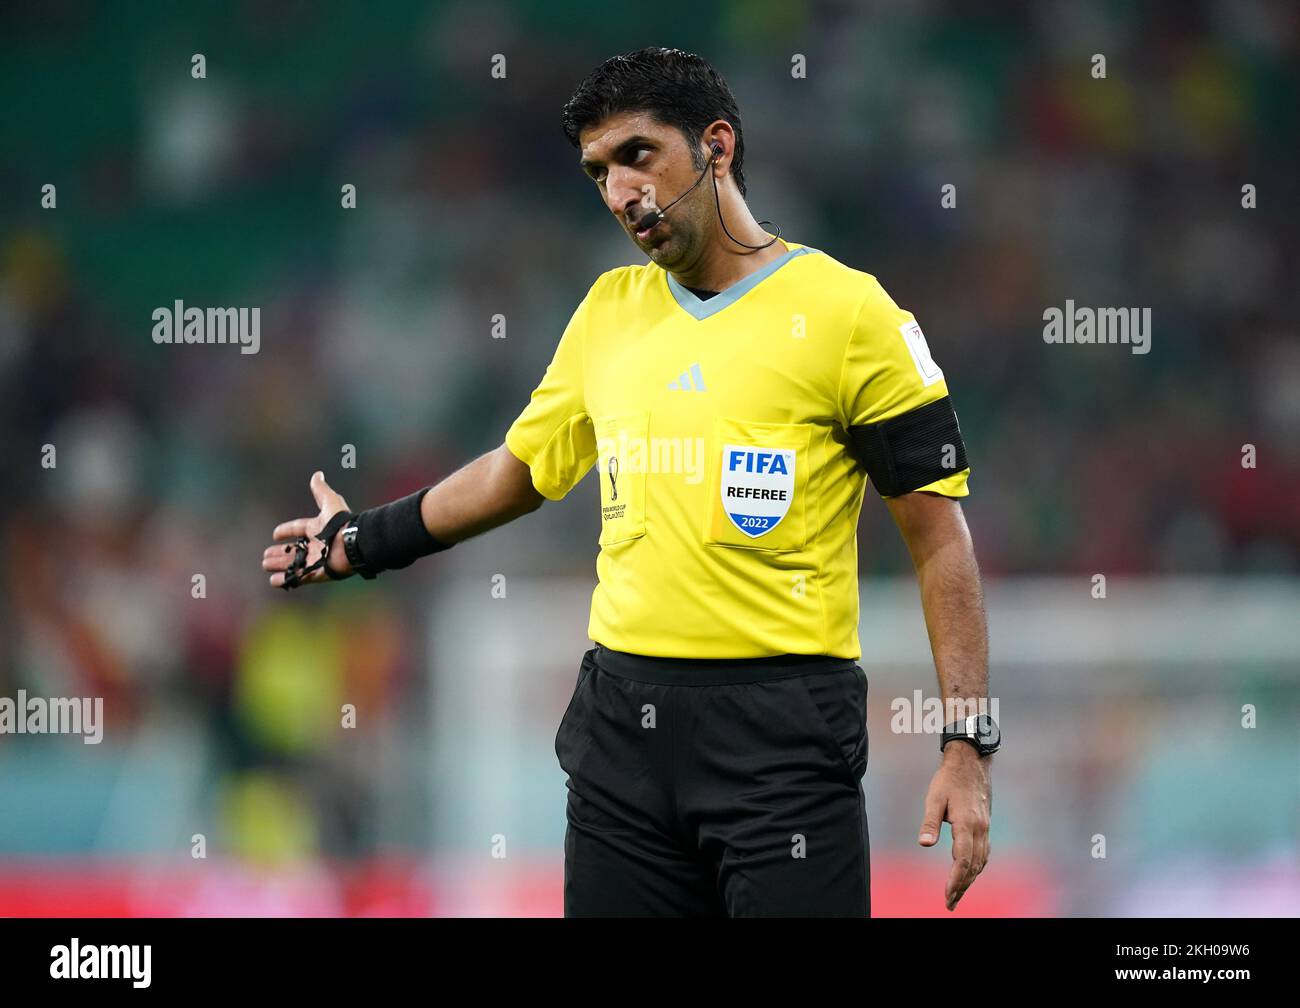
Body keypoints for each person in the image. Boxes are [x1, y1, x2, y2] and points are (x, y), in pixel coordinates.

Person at [263, 47, 996, 917]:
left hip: (783, 740)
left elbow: (939, 538)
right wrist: (365, 538)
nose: (619, 194)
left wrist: (965, 745)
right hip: (623, 739)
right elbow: (520, 470)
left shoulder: (851, 315)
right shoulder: (609, 310)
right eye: (598, 172)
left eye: (638, 156)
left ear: (717, 146)